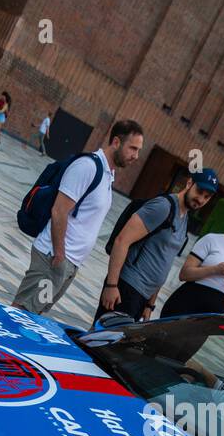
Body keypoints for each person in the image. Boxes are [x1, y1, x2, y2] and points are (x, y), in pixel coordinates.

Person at [11, 119, 144, 314]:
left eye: (139, 150)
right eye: (133, 148)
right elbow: (59, 211)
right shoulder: (88, 167)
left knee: (34, 313)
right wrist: (59, 255)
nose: (136, 156)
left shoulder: (108, 175)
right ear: (116, 142)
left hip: (68, 264)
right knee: (22, 311)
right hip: (53, 259)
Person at [97, 167, 218, 322]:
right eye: (199, 192)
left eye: (206, 197)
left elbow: (164, 261)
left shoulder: (185, 219)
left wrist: (149, 305)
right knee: (98, 341)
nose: (201, 199)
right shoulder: (163, 207)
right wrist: (111, 285)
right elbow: (122, 240)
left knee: (114, 344)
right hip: (126, 288)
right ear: (189, 183)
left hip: (142, 297)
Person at [159, 208, 224, 317]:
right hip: (185, 305)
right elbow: (184, 274)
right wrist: (215, 269)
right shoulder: (212, 239)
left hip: (208, 321)